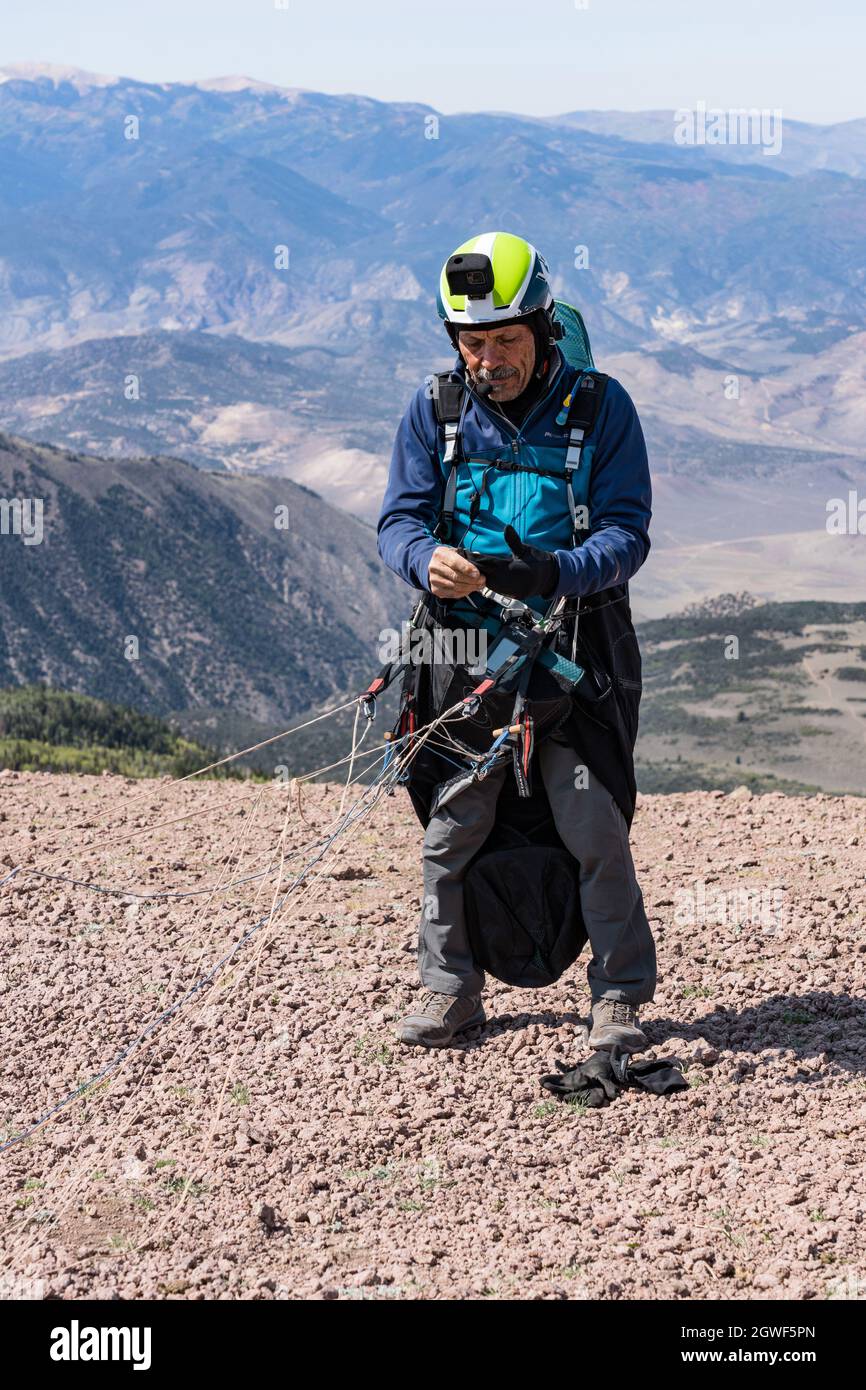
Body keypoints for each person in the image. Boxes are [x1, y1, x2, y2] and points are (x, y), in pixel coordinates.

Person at [376, 231, 657, 1051]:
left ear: (542, 328)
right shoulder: (435, 411)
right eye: (473, 342)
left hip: (574, 649)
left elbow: (628, 533)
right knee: (451, 826)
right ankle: (450, 988)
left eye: (506, 340)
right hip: (462, 657)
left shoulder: (602, 408)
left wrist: (557, 572)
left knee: (591, 819)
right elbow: (397, 521)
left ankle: (619, 998)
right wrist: (427, 560)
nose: (489, 359)